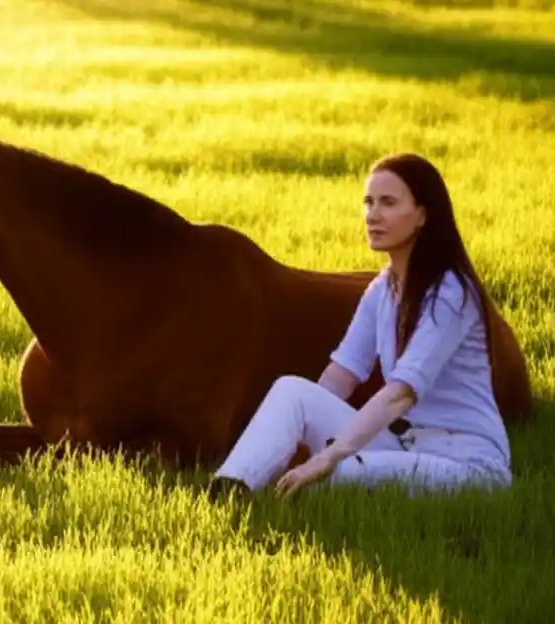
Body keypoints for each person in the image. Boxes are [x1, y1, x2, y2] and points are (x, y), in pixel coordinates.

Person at [211, 152, 512, 501]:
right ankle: (229, 491)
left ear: (422, 216)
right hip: (405, 445)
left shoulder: (450, 293)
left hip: (466, 464)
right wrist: (301, 435)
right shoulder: (383, 289)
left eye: (388, 203)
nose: (373, 215)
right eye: (368, 202)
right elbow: (342, 374)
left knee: (339, 474)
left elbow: (401, 393)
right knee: (292, 390)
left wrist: (327, 455)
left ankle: (281, 487)